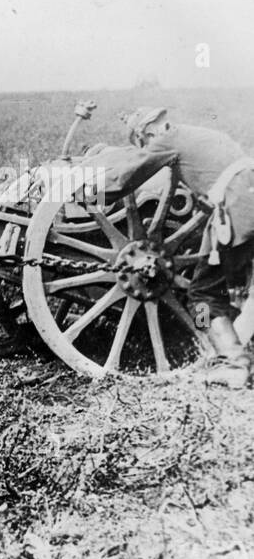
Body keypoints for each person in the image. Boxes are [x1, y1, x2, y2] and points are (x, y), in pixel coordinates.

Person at [74, 107, 254, 387]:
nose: (148, 145)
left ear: (148, 133)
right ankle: (222, 344)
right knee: (221, 288)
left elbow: (128, 175)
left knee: (202, 295)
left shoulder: (167, 139)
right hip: (243, 201)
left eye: (144, 142)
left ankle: (231, 362)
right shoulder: (204, 134)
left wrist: (86, 191)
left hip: (239, 211)